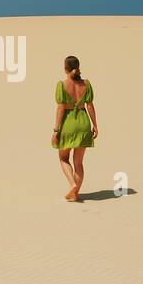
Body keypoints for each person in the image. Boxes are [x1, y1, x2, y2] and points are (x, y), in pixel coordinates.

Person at [51, 55, 98, 202]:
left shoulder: (62, 85)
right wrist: (95, 125)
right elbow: (90, 105)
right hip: (84, 123)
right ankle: (76, 191)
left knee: (63, 158)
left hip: (68, 124)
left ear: (65, 68)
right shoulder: (86, 84)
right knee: (78, 162)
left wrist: (56, 130)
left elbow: (60, 108)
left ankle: (72, 184)